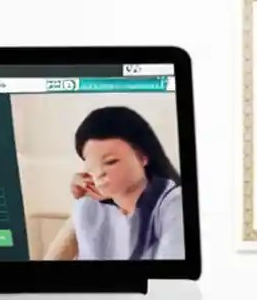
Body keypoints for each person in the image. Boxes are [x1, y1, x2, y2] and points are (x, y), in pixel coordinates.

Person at [66, 106, 184, 260]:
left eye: (110, 162)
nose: (99, 173)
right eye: (91, 166)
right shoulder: (88, 207)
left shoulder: (174, 205)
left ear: (143, 157)